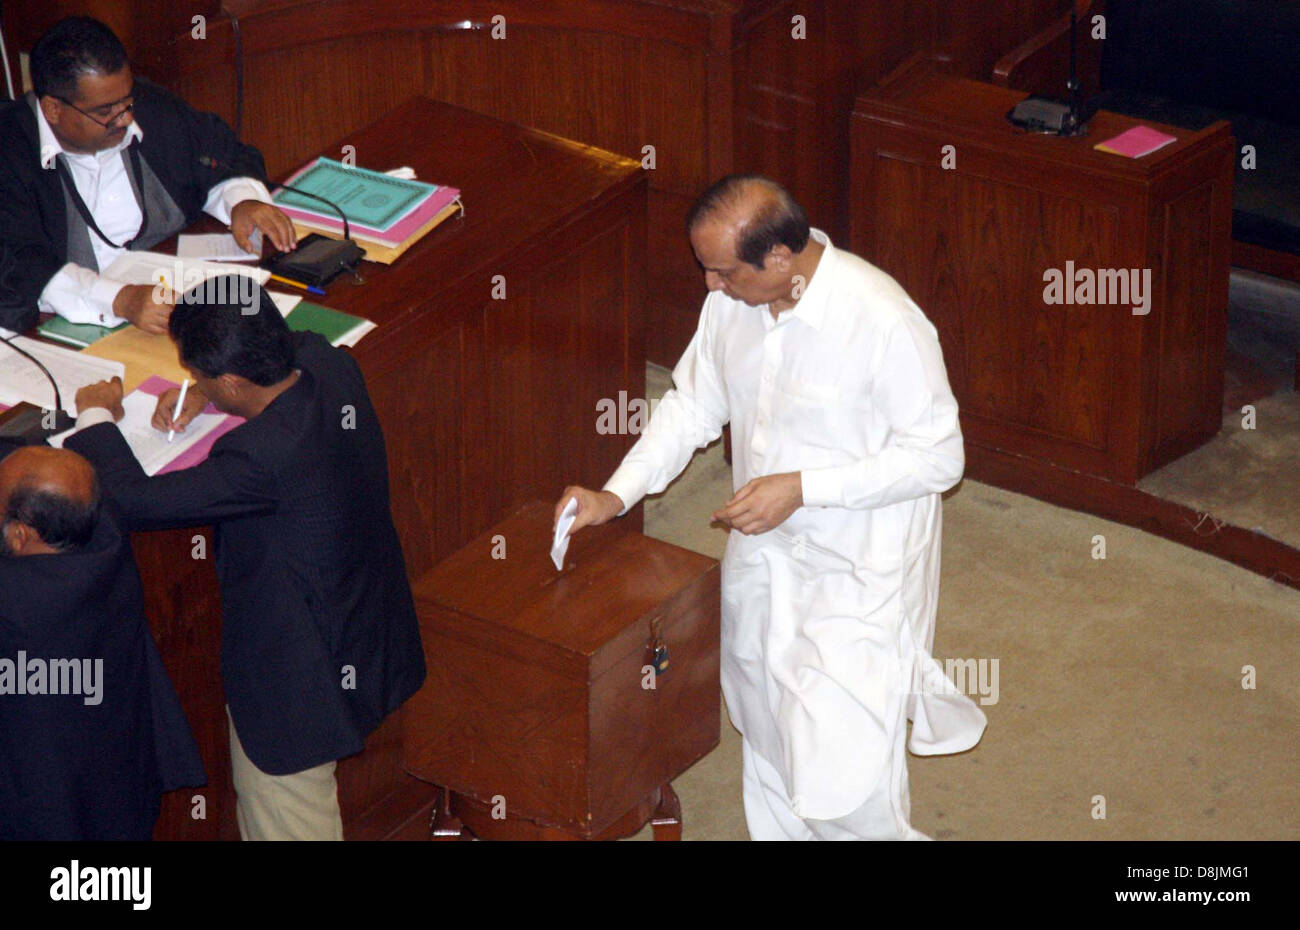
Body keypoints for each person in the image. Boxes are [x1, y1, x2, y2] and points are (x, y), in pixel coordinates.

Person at [556, 175, 987, 840]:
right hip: (764, 554)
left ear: (781, 259)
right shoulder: (735, 305)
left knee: (843, 761)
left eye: (723, 272)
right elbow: (695, 403)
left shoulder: (882, 321)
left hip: (859, 564)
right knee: (765, 718)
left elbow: (939, 459)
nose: (712, 288)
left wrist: (803, 487)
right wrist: (617, 493)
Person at [66, 277, 426, 840]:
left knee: (287, 816)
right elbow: (299, 338)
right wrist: (209, 393)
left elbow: (133, 501)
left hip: (300, 688)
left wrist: (96, 416)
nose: (194, 381)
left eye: (200, 374)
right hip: (366, 627)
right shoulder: (330, 368)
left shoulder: (261, 457)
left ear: (233, 380)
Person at [0, 16, 296, 335]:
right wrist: (119, 300)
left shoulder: (147, 104)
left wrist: (243, 201)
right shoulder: (10, 150)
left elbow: (222, 153)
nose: (125, 119)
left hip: (174, 293)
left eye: (127, 102)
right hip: (64, 326)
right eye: (105, 112)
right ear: (53, 110)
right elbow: (18, 263)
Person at [0, 442, 205, 839]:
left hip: (38, 805)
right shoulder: (105, 539)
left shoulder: (16, 605)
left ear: (21, 536)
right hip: (116, 787)